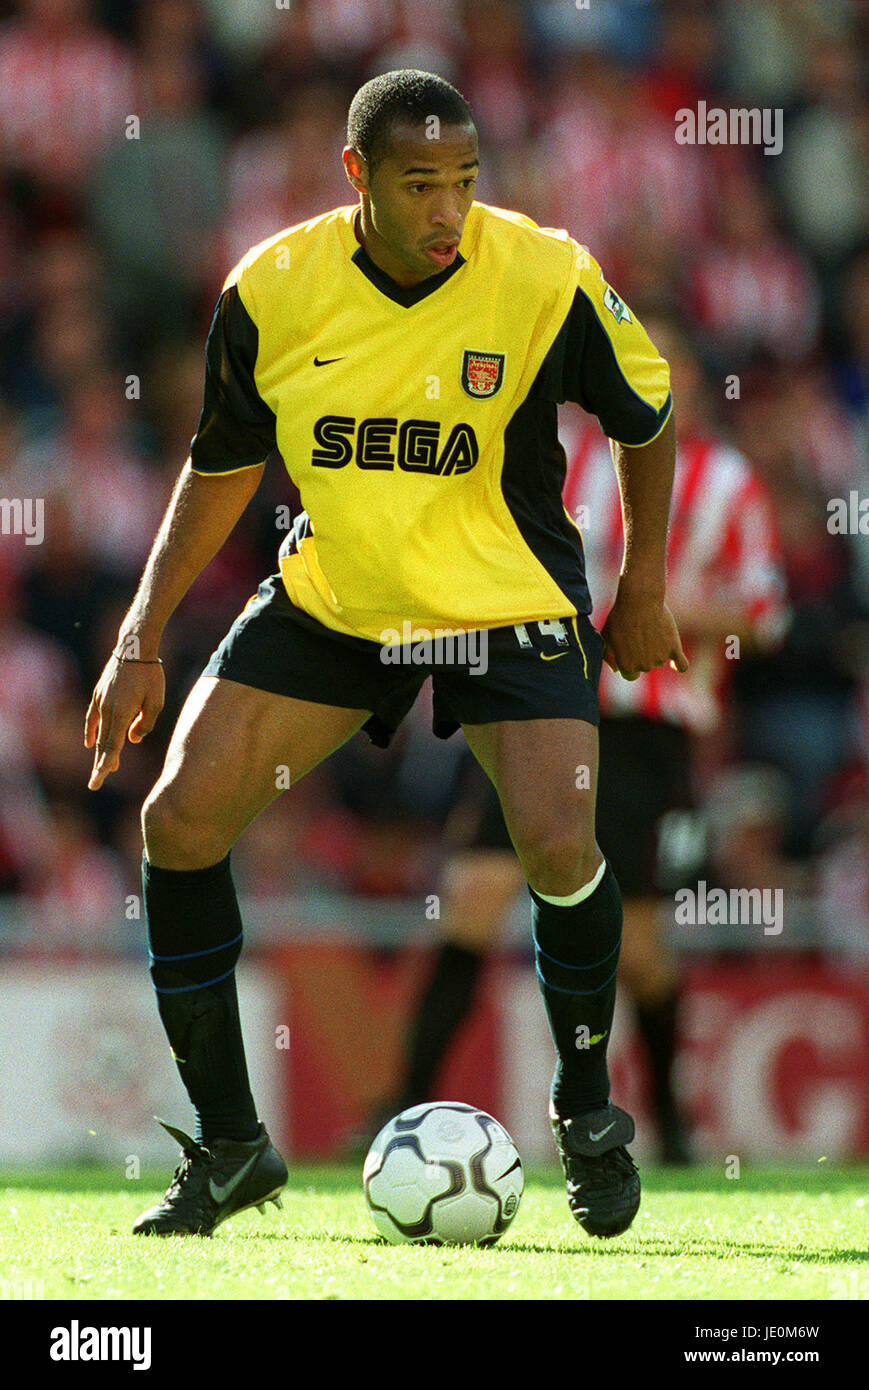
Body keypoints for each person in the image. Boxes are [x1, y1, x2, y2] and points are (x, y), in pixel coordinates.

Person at [84, 70, 684, 1239]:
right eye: (421, 186)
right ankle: (230, 1147)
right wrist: (139, 635)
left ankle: (584, 1106)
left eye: (464, 181)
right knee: (179, 820)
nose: (448, 210)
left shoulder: (544, 274)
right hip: (341, 598)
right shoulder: (272, 289)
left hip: (506, 599)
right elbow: (219, 466)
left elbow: (646, 416)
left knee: (561, 848)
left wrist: (643, 585)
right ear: (356, 177)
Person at [370, 315, 787, 1164]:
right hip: (543, 705)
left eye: (669, 365)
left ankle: (666, 1131)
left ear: (695, 385)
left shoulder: (728, 482)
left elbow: (766, 610)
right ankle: (398, 1107)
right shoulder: (563, 453)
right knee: (474, 895)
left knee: (634, 948)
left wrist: (652, 610)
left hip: (643, 726)